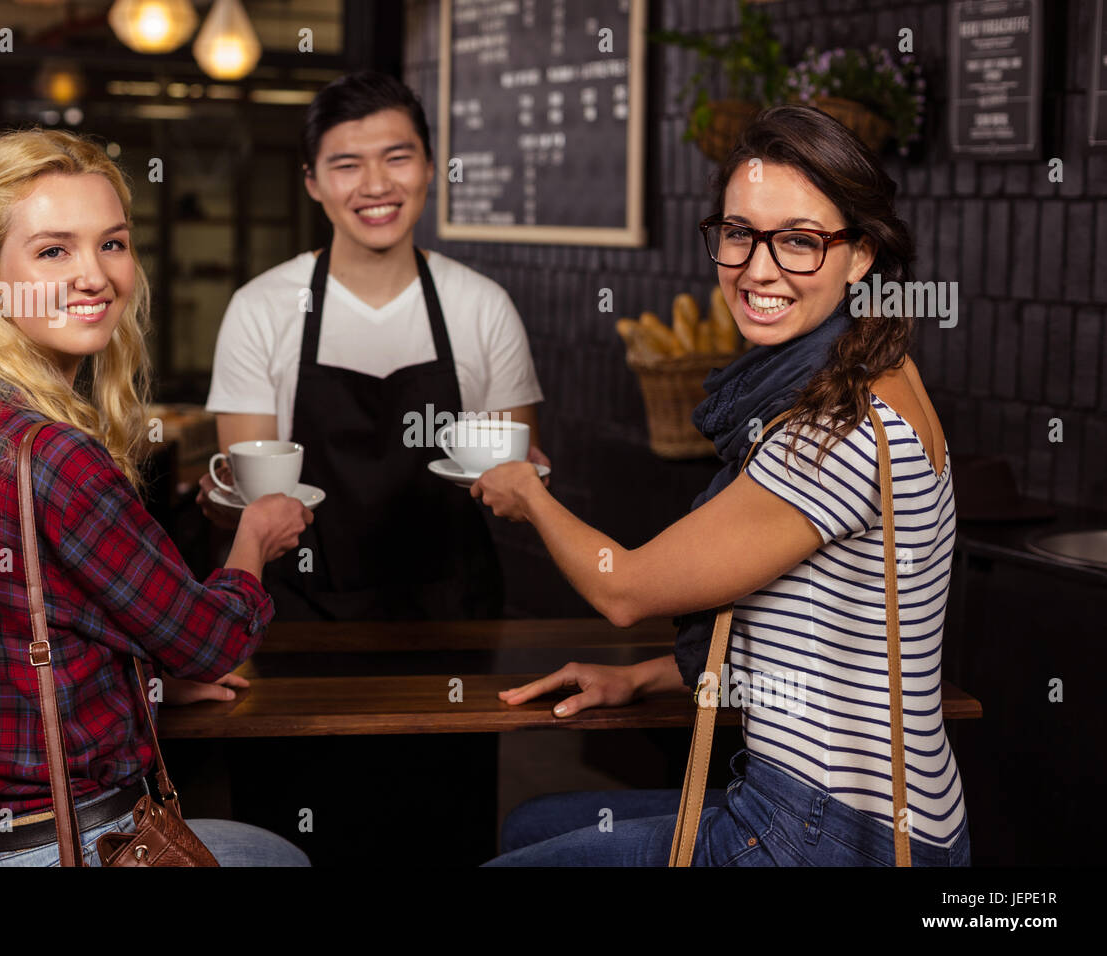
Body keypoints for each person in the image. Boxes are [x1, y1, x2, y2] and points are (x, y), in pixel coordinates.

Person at [471, 106, 969, 866]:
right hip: (887, 814)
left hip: (821, 831)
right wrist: (640, 678)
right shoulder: (882, 372)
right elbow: (818, 647)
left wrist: (529, 494)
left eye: (800, 242)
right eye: (740, 234)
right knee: (531, 824)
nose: (758, 269)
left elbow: (625, 590)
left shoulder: (828, 433)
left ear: (861, 255)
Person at [0, 128, 313, 866]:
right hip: (57, 845)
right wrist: (254, 537)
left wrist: (144, 682)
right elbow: (210, 642)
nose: (95, 275)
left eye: (112, 244)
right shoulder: (60, 455)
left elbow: (24, 631)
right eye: (52, 251)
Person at [198, 71, 546, 621]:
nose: (376, 185)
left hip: (457, 611)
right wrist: (224, 502)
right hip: (301, 611)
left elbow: (513, 485)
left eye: (397, 158)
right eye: (347, 165)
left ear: (430, 167)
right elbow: (255, 494)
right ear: (312, 181)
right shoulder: (259, 307)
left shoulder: (483, 305)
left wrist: (524, 487)